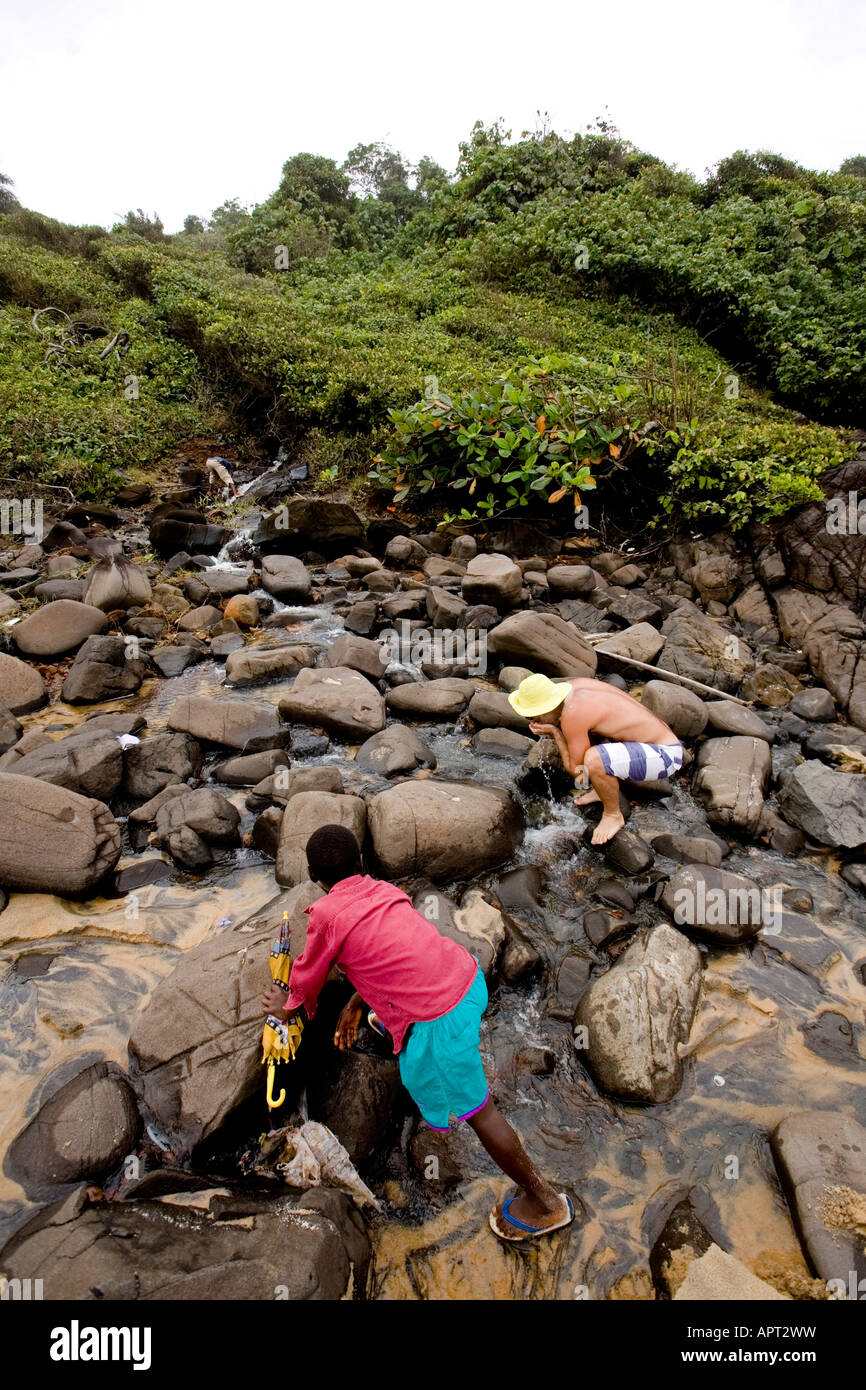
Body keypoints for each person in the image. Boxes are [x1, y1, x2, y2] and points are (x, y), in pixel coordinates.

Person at [261, 825, 574, 1243]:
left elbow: (309, 975)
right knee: (418, 1024)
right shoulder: (383, 891)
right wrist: (358, 1002)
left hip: (440, 1016)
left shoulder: (326, 916)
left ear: (315, 877)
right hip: (465, 980)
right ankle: (398, 1025)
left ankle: (545, 1201)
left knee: (480, 1113)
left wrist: (286, 1006)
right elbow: (391, 954)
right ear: (360, 863)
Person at [508, 673, 683, 845]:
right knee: (592, 746)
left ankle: (613, 815)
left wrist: (556, 732)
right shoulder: (577, 685)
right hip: (658, 741)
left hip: (665, 756)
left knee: (593, 760)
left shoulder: (573, 714)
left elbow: (579, 774)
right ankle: (602, 789)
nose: (534, 721)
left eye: (534, 716)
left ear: (548, 706)